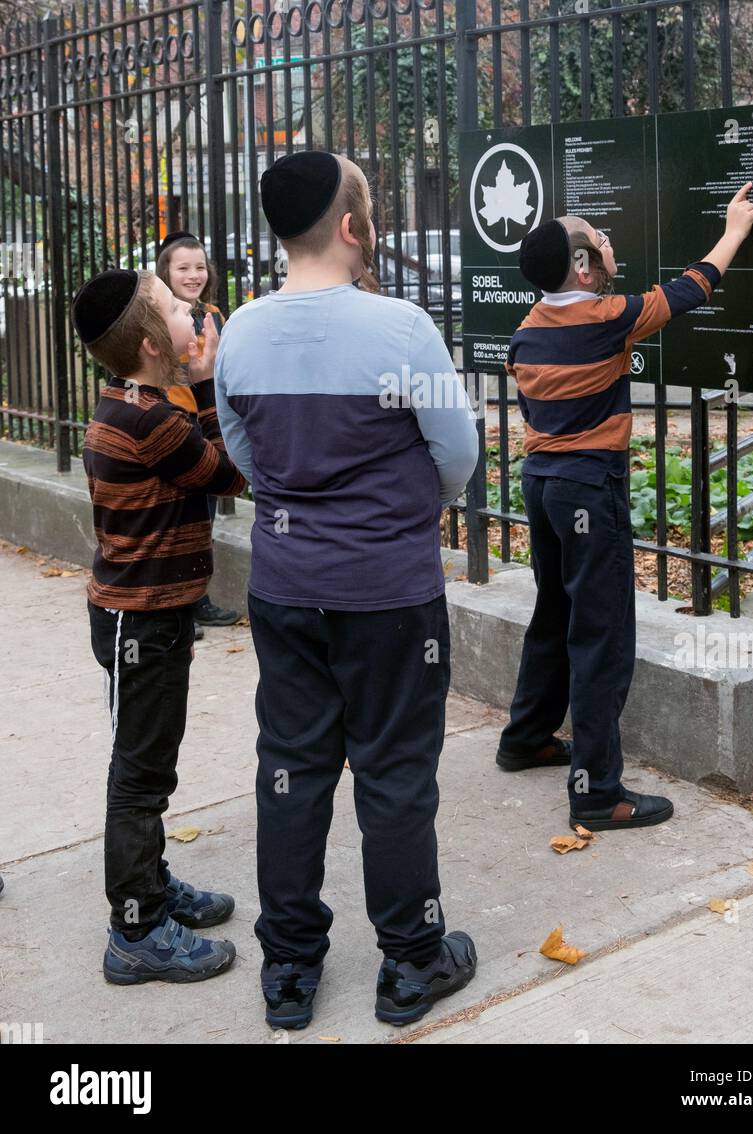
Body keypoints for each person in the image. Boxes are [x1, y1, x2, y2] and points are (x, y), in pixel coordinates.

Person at [214, 150, 480, 1030]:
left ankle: (288, 966)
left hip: (285, 586)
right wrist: (405, 515)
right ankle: (410, 960)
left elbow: (245, 457)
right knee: (396, 772)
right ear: (355, 227)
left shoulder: (241, 332)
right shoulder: (403, 330)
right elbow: (458, 459)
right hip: (390, 592)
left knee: (289, 768)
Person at [495, 183, 753, 833]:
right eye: (599, 239)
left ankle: (527, 737)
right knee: (603, 637)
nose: (611, 242)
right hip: (588, 488)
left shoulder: (528, 331)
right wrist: (733, 229)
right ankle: (596, 793)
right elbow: (690, 289)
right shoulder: (607, 315)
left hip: (543, 483)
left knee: (555, 613)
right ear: (583, 266)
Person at [72, 267, 247, 984]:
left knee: (148, 767)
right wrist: (207, 384)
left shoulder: (131, 401)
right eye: (178, 308)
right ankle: (136, 928)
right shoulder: (152, 420)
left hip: (144, 616)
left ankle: (152, 882)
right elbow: (229, 473)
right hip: (140, 621)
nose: (194, 311)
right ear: (151, 343)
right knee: (140, 777)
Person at [156, 230, 239, 632]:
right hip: (174, 422)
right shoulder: (156, 317)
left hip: (206, 423)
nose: (193, 275)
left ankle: (197, 599)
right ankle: (176, 607)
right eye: (183, 267)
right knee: (175, 518)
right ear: (165, 273)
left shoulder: (214, 314)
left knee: (203, 517)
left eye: (200, 267)